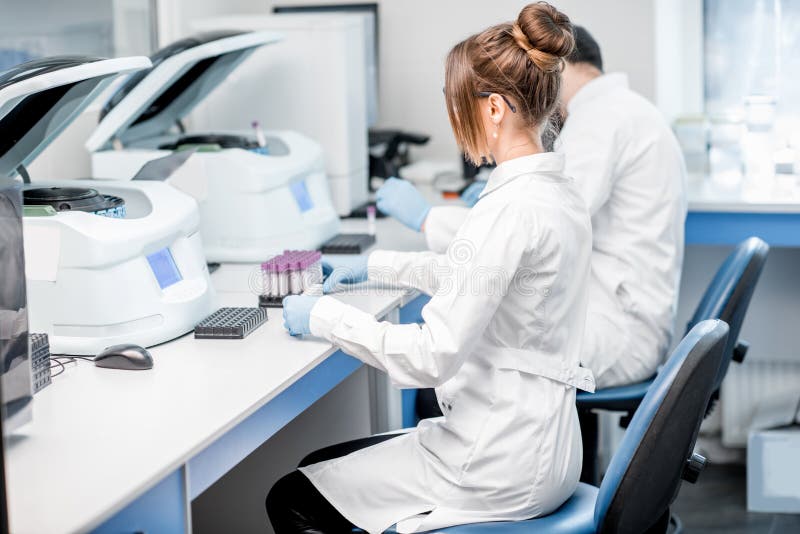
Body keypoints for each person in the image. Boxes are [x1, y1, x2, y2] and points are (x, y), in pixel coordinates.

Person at [268, 3, 595, 532]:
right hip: (545, 448)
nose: (456, 123)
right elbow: (481, 277)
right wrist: (376, 266)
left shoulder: (511, 208)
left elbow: (429, 356)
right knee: (323, 473)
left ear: (493, 110)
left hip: (493, 462)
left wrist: (325, 317)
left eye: (459, 107)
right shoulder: (556, 191)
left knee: (293, 496)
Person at [378, 25, 687, 389]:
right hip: (619, 316)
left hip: (614, 332)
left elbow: (534, 224)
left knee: (456, 368)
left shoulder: (601, 118)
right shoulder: (627, 109)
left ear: (562, 64)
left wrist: (427, 218)